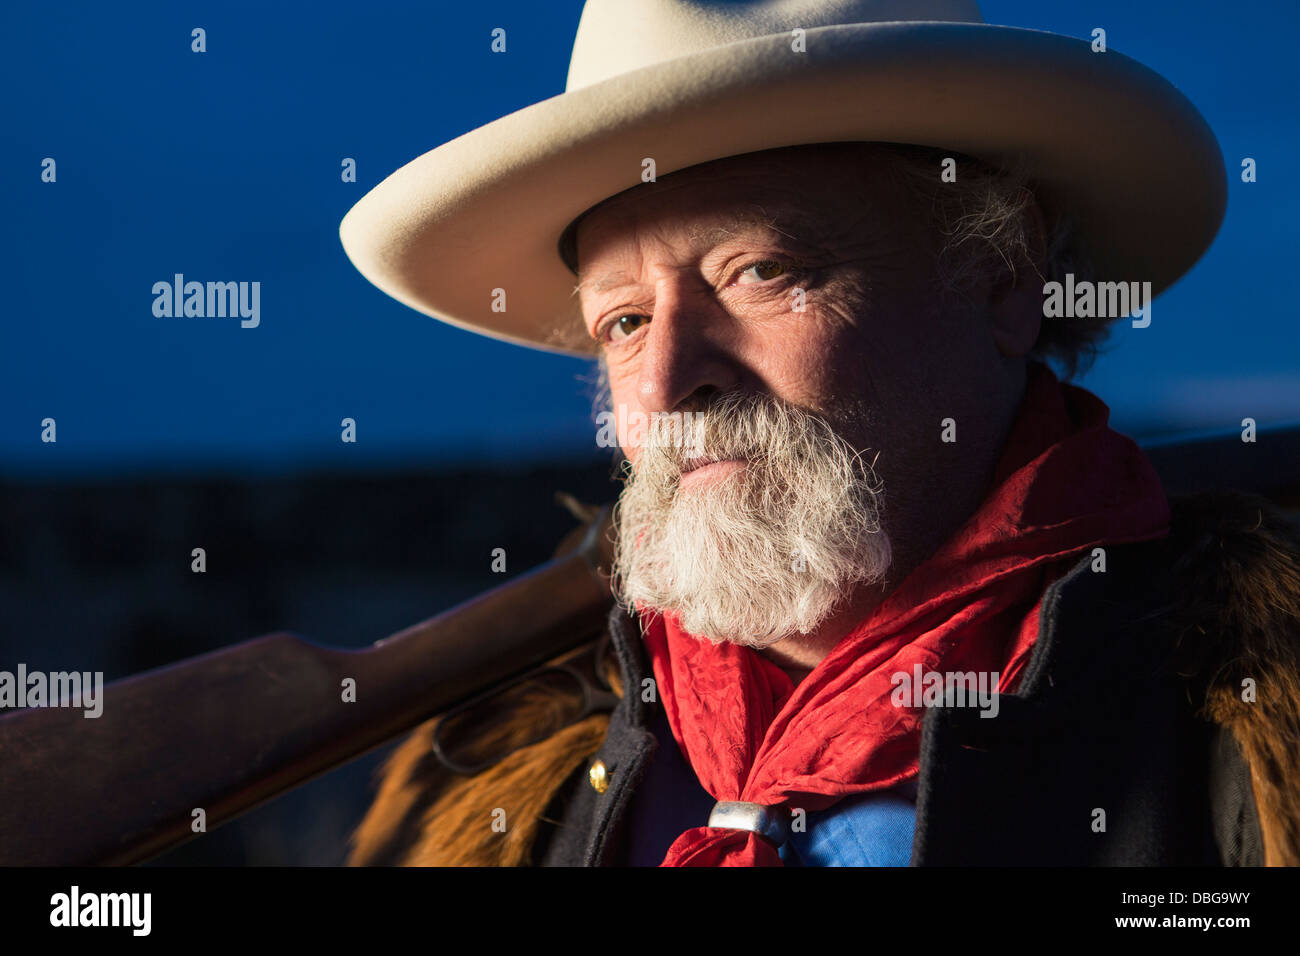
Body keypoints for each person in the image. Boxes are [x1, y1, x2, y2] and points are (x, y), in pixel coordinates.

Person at [338, 0, 1300, 866]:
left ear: (1002, 278)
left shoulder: (1246, 740)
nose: (668, 386)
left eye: (757, 271)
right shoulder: (523, 777)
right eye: (624, 322)